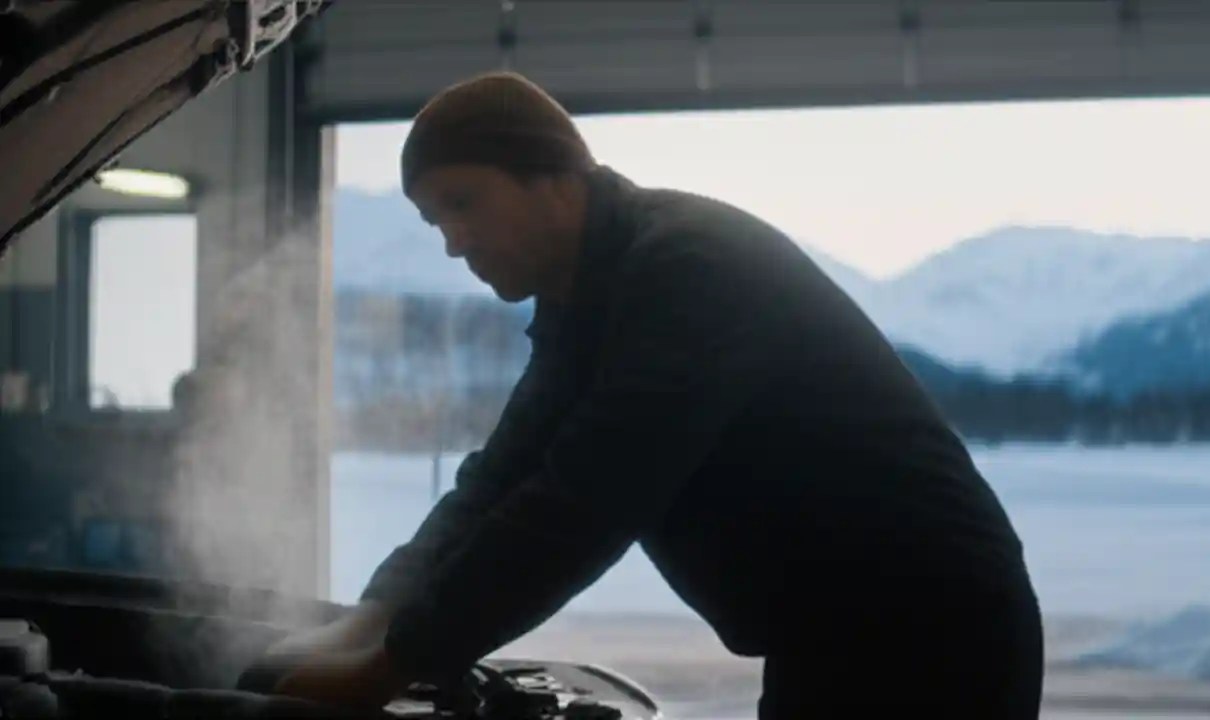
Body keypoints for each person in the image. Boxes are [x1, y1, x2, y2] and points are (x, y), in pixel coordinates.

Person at [253, 71, 1044, 718]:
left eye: (464, 203)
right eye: (434, 223)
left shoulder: (687, 270)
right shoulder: (586, 299)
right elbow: (501, 478)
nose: (454, 244)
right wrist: (374, 614)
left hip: (932, 634)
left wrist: (392, 666)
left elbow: (585, 501)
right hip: (834, 636)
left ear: (552, 175)